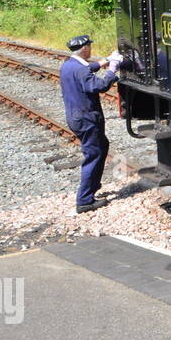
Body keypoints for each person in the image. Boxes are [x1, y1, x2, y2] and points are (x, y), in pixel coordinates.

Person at [59, 35, 120, 214]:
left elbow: (86, 69)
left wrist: (105, 61)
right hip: (87, 119)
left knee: (102, 146)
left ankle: (93, 184)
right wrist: (112, 70)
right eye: (89, 47)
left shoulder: (69, 65)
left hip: (75, 116)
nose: (90, 49)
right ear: (85, 48)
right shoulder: (81, 70)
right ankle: (85, 200)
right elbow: (98, 86)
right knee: (93, 154)